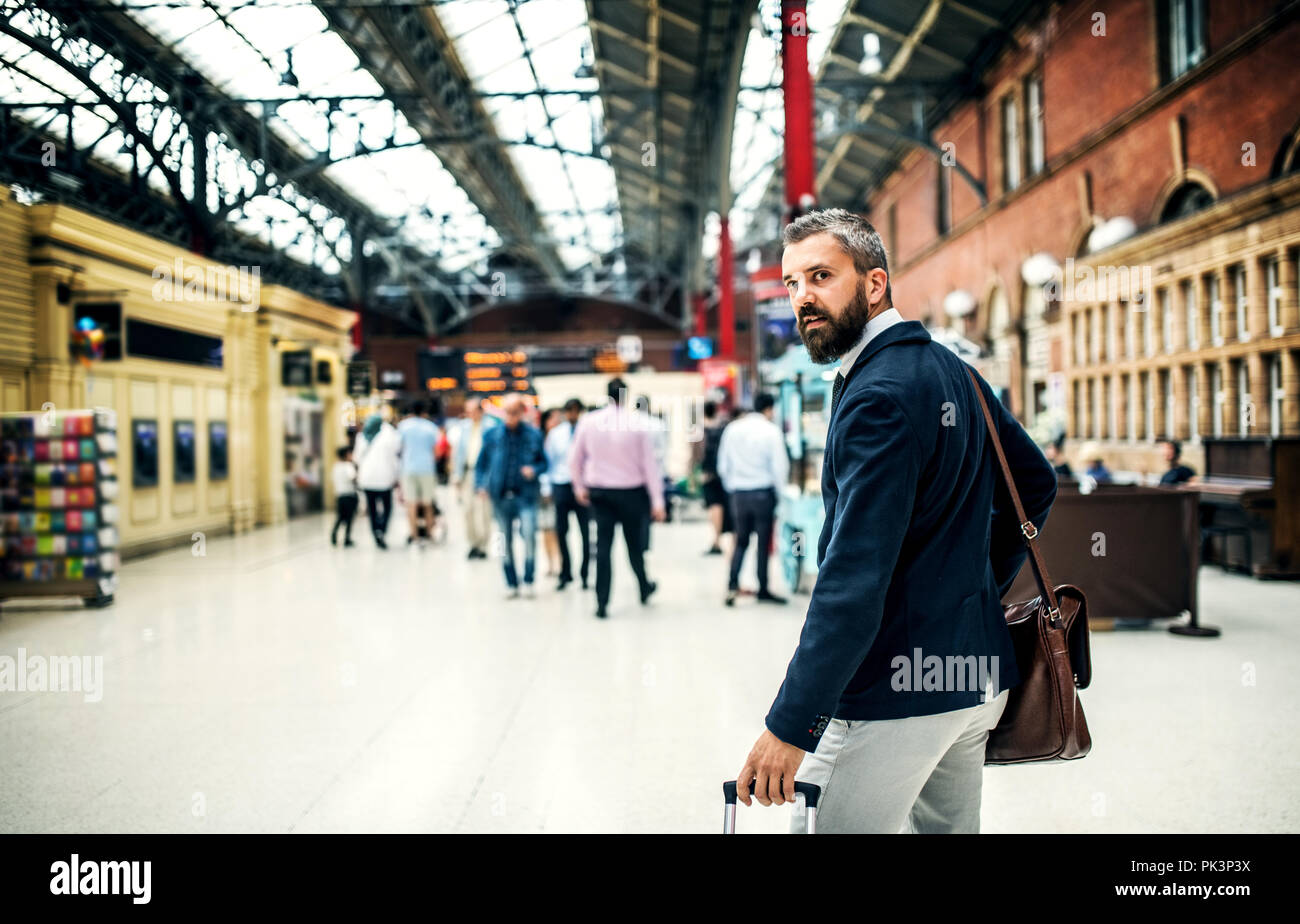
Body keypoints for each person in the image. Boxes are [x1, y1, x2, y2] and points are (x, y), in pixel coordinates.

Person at [735, 208, 1058, 834]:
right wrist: (969, 596)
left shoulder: (878, 395)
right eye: (792, 284)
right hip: (974, 679)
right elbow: (1036, 484)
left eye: (821, 276)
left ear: (875, 283)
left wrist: (788, 724)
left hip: (893, 692)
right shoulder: (954, 370)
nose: (803, 298)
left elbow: (852, 581)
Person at [569, 378, 664, 619]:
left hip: (601, 494)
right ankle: (643, 587)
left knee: (603, 547)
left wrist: (579, 486)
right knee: (635, 547)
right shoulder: (638, 424)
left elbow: (575, 459)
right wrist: (658, 501)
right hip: (632, 493)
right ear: (626, 396)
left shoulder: (589, 422)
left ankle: (602, 602)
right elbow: (649, 466)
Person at [717, 391, 789, 607]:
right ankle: (763, 589)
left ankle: (732, 586)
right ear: (768, 409)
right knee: (763, 542)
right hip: (763, 493)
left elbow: (723, 464)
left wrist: (733, 487)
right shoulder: (771, 431)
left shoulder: (733, 429)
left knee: (741, 541)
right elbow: (780, 467)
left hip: (739, 494)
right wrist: (780, 492)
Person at [475, 394, 548, 598]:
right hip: (500, 496)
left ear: (522, 412)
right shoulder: (492, 436)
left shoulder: (534, 435)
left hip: (526, 496)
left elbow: (544, 462)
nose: (511, 417)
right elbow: (481, 465)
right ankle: (510, 581)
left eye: (515, 412)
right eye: (507, 412)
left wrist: (534, 469)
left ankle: (529, 579)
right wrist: (481, 485)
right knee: (502, 540)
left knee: (530, 535)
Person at [545, 398, 591, 591]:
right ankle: (566, 573)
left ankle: (585, 574)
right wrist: (547, 487)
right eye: (569, 411)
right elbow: (550, 461)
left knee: (586, 533)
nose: (573, 415)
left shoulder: (587, 431)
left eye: (576, 411)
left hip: (582, 487)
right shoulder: (556, 434)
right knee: (562, 531)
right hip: (562, 485)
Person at [452, 397, 499, 560]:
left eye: (472, 411)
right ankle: (473, 543)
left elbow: (493, 456)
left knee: (483, 511)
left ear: (481, 410)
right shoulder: (464, 427)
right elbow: (459, 453)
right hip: (467, 473)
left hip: (484, 474)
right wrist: (456, 475)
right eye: (468, 411)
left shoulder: (491, 427)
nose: (469, 414)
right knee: (468, 510)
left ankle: (484, 545)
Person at [353, 410, 402, 549]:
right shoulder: (389, 434)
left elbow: (357, 458)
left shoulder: (362, 436)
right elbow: (395, 453)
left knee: (372, 508)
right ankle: (382, 529)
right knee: (387, 507)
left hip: (367, 479)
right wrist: (396, 475)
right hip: (384, 478)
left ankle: (376, 531)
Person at [397, 400, 441, 547]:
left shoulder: (403, 426)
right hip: (427, 469)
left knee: (411, 504)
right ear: (424, 412)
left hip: (409, 469)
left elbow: (399, 448)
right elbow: (436, 451)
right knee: (428, 503)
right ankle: (430, 534)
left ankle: (414, 536)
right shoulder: (431, 427)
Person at [694, 400, 732, 555]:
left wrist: (693, 473)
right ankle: (719, 539)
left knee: (713, 507)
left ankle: (716, 540)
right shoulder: (723, 428)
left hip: (707, 474)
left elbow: (696, 454)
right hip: (722, 474)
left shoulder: (700, 430)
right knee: (721, 506)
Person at [538, 407, 563, 578]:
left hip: (558, 488)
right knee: (546, 529)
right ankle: (550, 563)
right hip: (543, 490)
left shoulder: (562, 438)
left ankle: (559, 561)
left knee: (557, 529)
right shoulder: (539, 440)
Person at [330, 445, 358, 547]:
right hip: (349, 495)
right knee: (350, 518)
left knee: (340, 516)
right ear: (346, 454)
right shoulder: (348, 466)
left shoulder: (336, 466)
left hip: (340, 495)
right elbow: (354, 478)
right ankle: (347, 538)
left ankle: (334, 534)